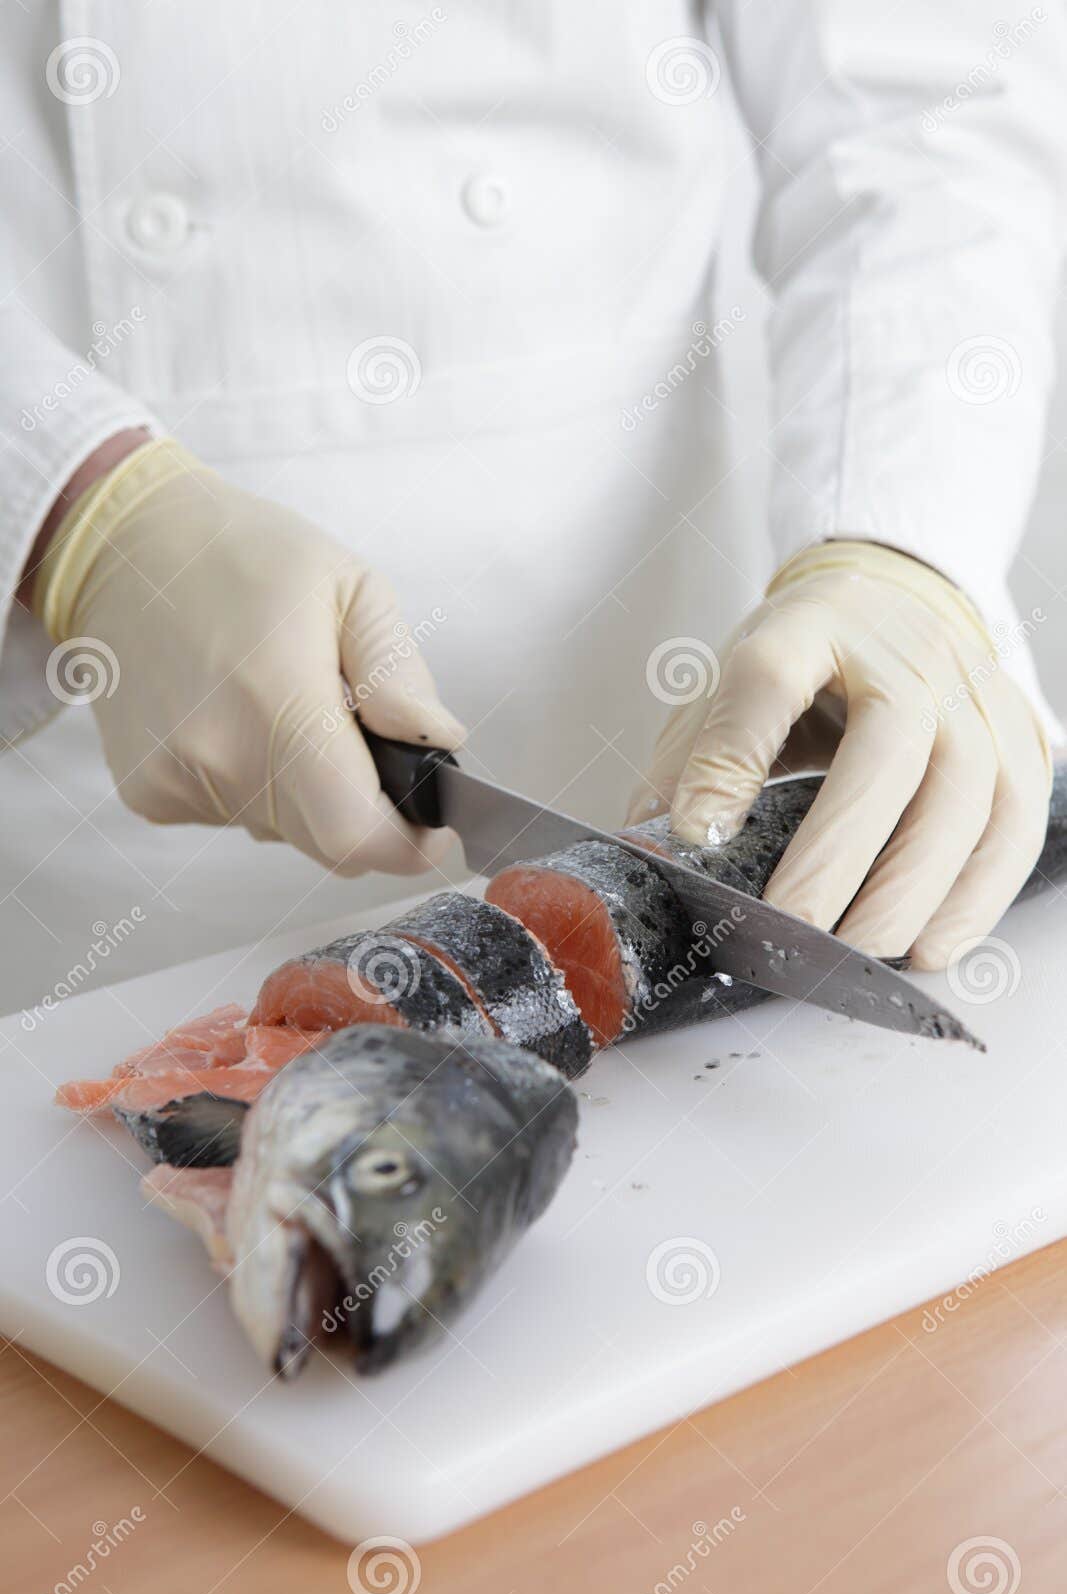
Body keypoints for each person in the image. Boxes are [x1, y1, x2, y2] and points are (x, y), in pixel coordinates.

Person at [2, 3, 1063, 1012]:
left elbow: (927, 108)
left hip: (624, 691)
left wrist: (893, 539)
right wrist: (77, 507)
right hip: (68, 821)